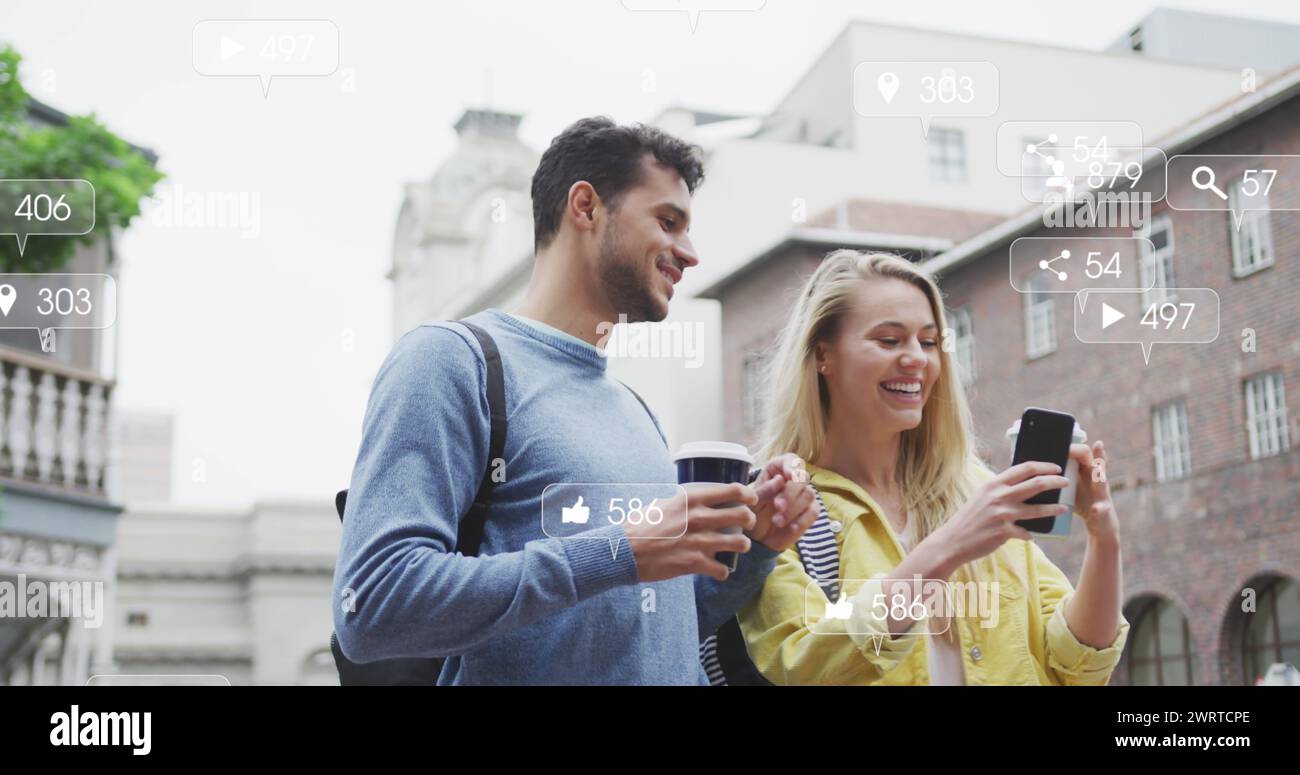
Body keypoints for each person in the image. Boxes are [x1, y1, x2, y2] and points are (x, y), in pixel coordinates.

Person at [332, 117, 818, 684]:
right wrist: (618, 551)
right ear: (585, 206)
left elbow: (659, 626)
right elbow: (371, 607)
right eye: (667, 222)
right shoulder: (449, 361)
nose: (689, 254)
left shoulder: (634, 410)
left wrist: (757, 545)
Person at [737, 250, 1128, 685]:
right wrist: (950, 547)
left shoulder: (976, 491)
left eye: (928, 342)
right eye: (888, 340)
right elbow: (802, 664)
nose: (917, 359)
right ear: (823, 355)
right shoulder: (780, 508)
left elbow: (1074, 663)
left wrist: (1103, 538)